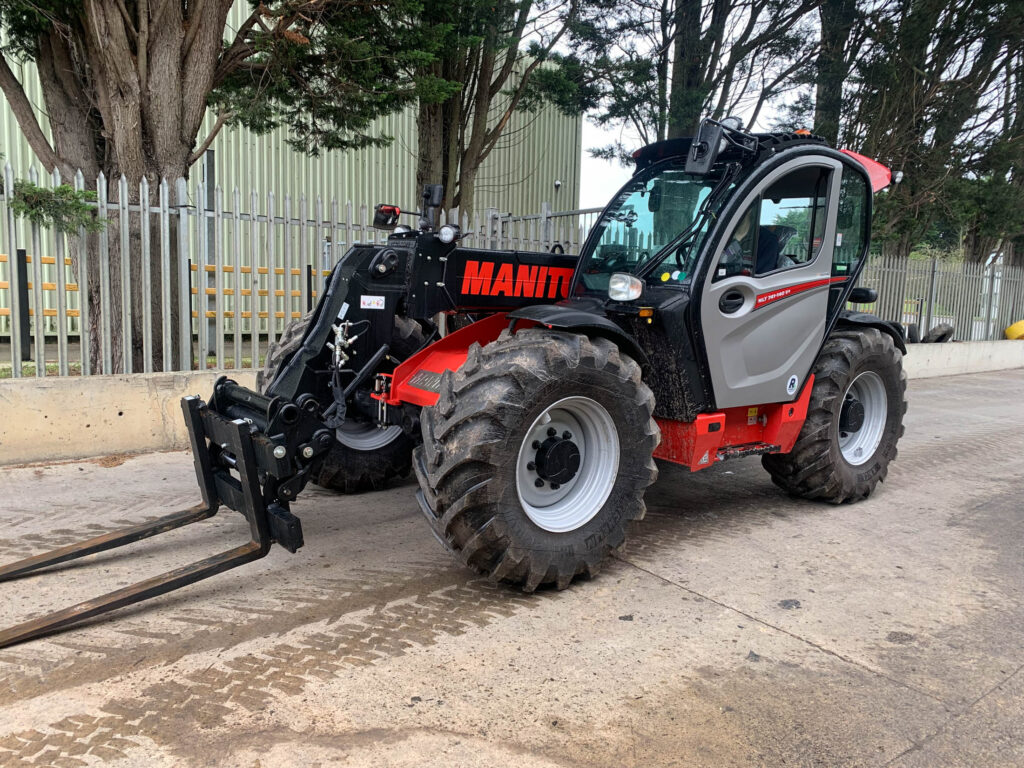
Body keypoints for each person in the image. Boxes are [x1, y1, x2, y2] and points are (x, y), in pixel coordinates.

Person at [723, 207, 781, 275]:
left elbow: (761, 279)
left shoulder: (767, 241)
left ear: (749, 209)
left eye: (736, 208)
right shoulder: (721, 238)